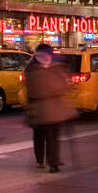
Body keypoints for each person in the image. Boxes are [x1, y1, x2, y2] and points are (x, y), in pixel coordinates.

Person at [24, 44, 74, 172]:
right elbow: (62, 86)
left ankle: (50, 162)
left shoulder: (33, 68)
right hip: (43, 107)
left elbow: (63, 85)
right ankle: (48, 161)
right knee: (46, 135)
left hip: (44, 108)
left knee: (48, 135)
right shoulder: (35, 69)